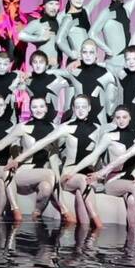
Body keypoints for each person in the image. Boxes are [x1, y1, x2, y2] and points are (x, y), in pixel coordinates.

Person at [8, 94, 105, 228]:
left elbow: (97, 156)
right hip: (69, 173)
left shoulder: (98, 129)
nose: (81, 110)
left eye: (84, 107)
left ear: (89, 108)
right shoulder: (64, 127)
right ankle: (99, 226)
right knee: (82, 182)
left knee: (79, 194)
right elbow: (42, 143)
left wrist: (101, 174)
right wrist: (18, 159)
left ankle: (84, 239)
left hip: (86, 173)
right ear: (73, 109)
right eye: (77, 107)